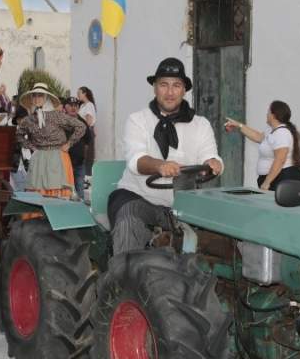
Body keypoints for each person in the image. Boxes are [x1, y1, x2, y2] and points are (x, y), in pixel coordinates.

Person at [110, 58, 223, 254]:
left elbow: (210, 154)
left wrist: (213, 163)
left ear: (184, 90)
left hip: (180, 205)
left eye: (176, 85)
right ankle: (125, 277)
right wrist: (159, 166)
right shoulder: (137, 120)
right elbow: (136, 160)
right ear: (154, 88)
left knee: (220, 231)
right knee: (129, 224)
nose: (170, 92)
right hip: (138, 197)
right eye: (164, 85)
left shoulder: (200, 124)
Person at [15, 83, 85, 199]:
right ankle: (37, 216)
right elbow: (19, 135)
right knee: (36, 190)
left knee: (57, 189)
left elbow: (81, 126)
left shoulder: (57, 116)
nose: (37, 98)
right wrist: (31, 146)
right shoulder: (29, 119)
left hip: (57, 156)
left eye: (40, 95)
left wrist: (68, 144)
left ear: (46, 98)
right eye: (34, 96)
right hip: (39, 158)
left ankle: (56, 216)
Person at [225, 100, 300, 191]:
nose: (266, 114)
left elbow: (280, 160)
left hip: (282, 179)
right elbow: (257, 136)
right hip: (275, 179)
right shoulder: (271, 130)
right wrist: (239, 125)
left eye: (268, 112)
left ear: (273, 115)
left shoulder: (282, 133)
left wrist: (267, 182)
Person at [63, 97, 93, 201]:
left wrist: (82, 154)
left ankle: (80, 212)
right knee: (66, 191)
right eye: (70, 105)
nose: (73, 107)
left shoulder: (83, 122)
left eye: (76, 105)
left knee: (80, 190)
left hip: (79, 163)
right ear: (65, 107)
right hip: (65, 163)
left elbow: (88, 140)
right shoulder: (61, 122)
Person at [76, 86, 98, 174]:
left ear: (85, 93)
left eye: (79, 93)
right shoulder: (82, 105)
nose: (77, 95)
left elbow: (89, 121)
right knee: (82, 154)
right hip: (81, 131)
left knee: (87, 155)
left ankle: (87, 175)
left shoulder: (89, 105)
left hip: (86, 131)